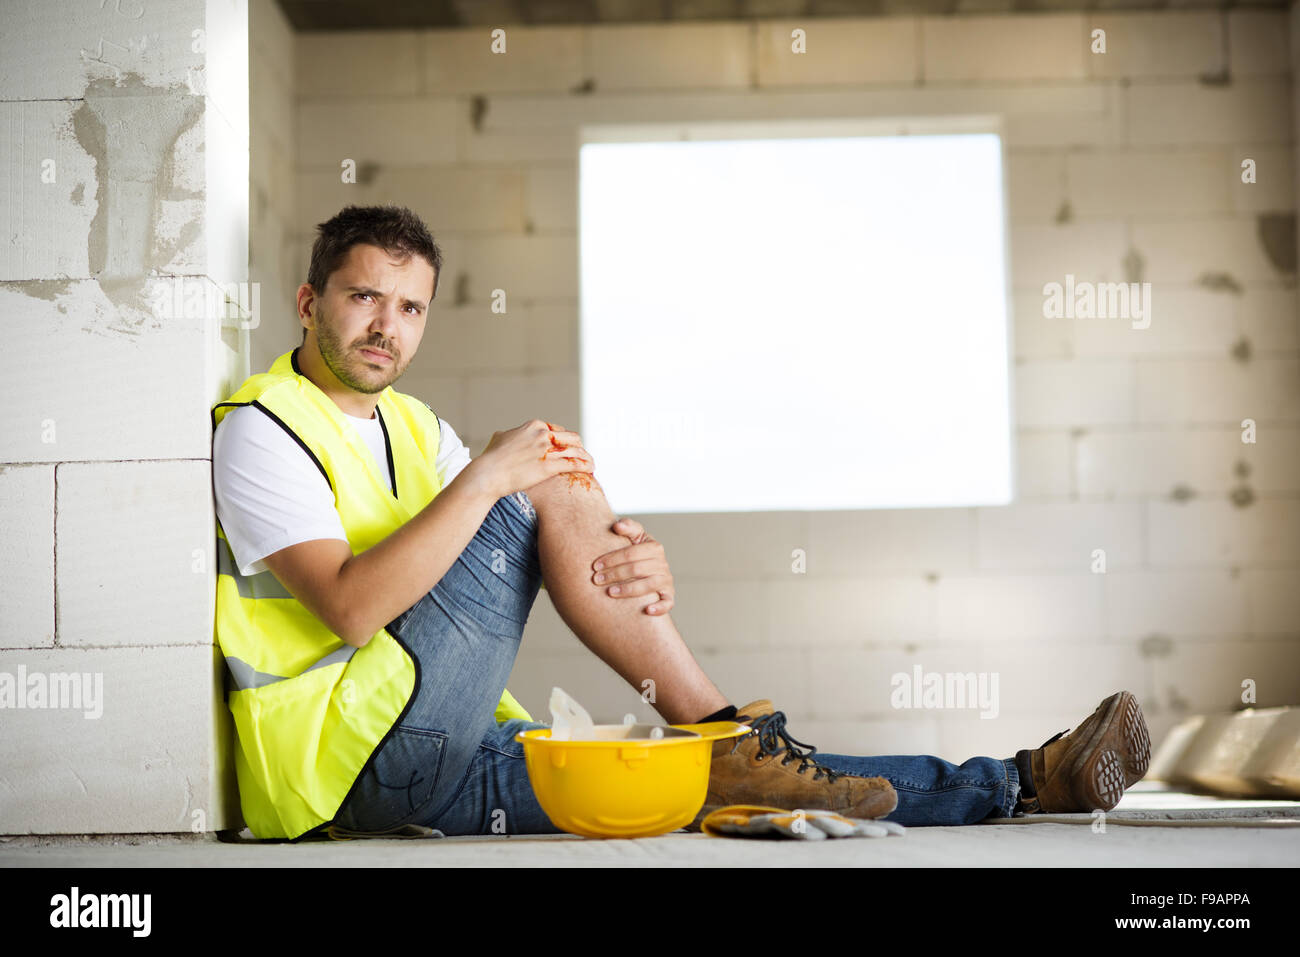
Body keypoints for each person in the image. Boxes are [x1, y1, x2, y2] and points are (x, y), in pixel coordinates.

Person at [212, 204, 1151, 840]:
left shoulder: (413, 427)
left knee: (714, 780)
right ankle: (717, 722)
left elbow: (533, 530)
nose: (387, 325)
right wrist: (509, 478)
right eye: (364, 296)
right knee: (549, 458)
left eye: (409, 307)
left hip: (444, 753)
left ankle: (1024, 778)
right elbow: (348, 609)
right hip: (347, 768)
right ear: (310, 302)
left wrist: (628, 556)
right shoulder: (261, 429)